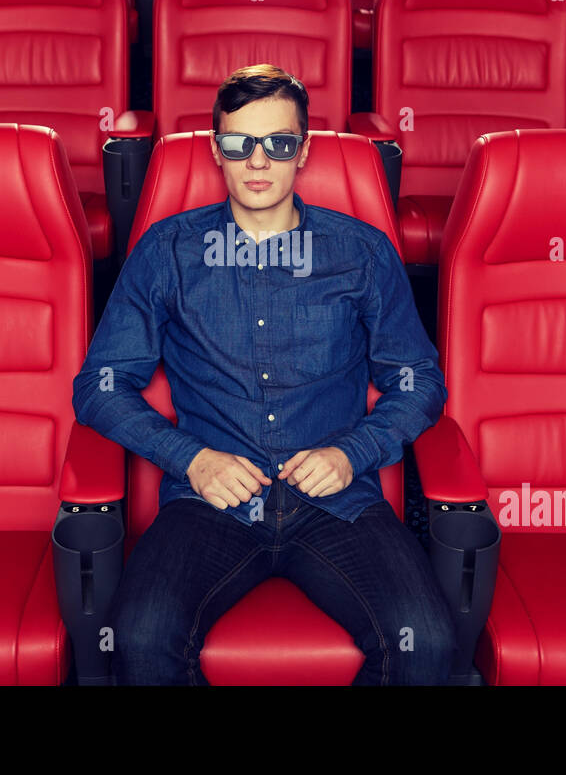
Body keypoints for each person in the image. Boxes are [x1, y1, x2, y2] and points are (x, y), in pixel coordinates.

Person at [72, 64, 455, 684]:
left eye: (277, 143)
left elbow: (419, 379)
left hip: (337, 501)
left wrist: (352, 452)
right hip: (210, 501)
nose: (257, 161)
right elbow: (100, 385)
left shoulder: (361, 253)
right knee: (139, 642)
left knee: (426, 645)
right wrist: (190, 457)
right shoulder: (167, 251)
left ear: (302, 151)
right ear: (215, 151)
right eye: (238, 144)